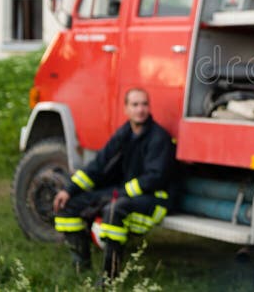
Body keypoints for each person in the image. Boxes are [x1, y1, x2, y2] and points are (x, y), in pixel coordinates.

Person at [53, 88, 176, 279]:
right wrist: (69, 190)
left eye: (144, 104)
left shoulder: (158, 137)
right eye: (135, 105)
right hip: (124, 193)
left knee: (114, 209)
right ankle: (81, 268)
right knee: (67, 206)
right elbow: (99, 164)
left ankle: (109, 278)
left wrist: (119, 193)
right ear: (126, 109)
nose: (140, 109)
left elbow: (155, 178)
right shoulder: (125, 133)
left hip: (155, 198)